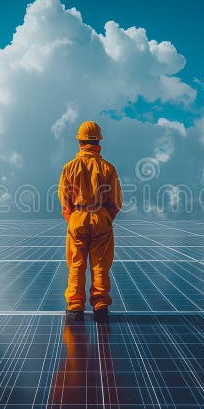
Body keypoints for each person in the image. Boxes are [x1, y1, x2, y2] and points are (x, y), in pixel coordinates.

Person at [57, 121, 122, 323]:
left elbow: (64, 200)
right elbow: (116, 202)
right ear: (99, 141)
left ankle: (75, 308)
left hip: (77, 218)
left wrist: (74, 218)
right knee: (100, 266)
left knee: (76, 264)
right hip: (101, 217)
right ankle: (100, 307)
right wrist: (104, 218)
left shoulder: (69, 167)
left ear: (79, 141)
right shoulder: (108, 168)